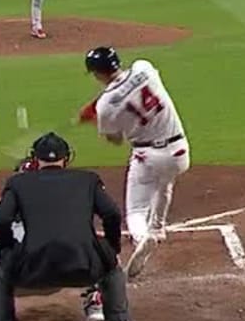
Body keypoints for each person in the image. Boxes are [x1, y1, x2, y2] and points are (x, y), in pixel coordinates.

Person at [0, 132, 137, 321]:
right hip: (83, 267)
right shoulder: (88, 180)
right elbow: (112, 214)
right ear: (67, 158)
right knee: (112, 268)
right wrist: (111, 248)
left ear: (35, 158)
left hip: (31, 270)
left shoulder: (18, 182)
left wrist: (8, 249)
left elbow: (0, 220)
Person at [79, 46, 189, 280]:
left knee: (136, 211)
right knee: (165, 182)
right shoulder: (143, 67)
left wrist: (95, 118)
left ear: (97, 73)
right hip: (179, 151)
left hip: (148, 157)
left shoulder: (106, 105)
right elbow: (131, 89)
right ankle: (157, 228)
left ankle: (142, 237)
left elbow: (116, 139)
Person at [0, 154, 108, 321]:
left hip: (21, 278)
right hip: (71, 272)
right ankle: (95, 306)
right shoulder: (69, 196)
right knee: (92, 243)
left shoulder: (5, 199)